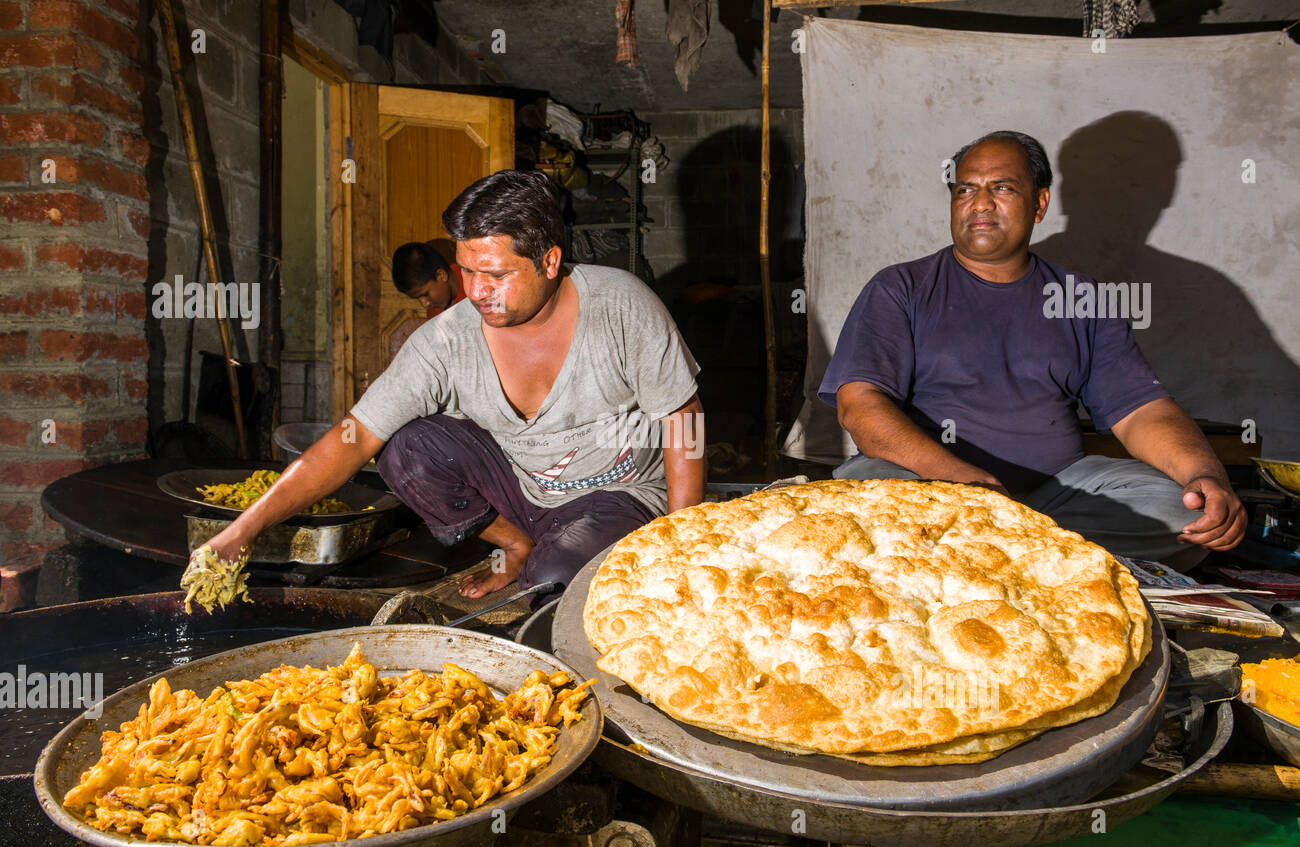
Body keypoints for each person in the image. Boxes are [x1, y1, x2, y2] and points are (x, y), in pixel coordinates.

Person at [201, 170, 705, 602]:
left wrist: (680, 544)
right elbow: (352, 438)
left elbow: (685, 421)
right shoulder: (445, 340)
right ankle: (515, 543)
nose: (475, 292)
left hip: (616, 492)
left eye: (495, 274)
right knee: (405, 448)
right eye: (465, 271)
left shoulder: (622, 307)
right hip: (521, 489)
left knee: (550, 589)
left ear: (549, 262)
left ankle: (549, 559)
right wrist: (245, 528)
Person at [820, 130, 1245, 570]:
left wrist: (1205, 476)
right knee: (871, 495)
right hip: (932, 491)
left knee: (1188, 514)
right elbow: (860, 408)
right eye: (966, 189)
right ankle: (1042, 559)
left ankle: (992, 552)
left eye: (1002, 188)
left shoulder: (1082, 298)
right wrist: (953, 476)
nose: (980, 203)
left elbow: (1141, 412)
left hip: (1054, 495)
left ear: (1040, 204)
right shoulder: (901, 288)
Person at [391, 241, 465, 318]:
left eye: (425, 294)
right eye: (417, 298)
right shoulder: (434, 315)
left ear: (441, 275)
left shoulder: (475, 285)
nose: (424, 304)